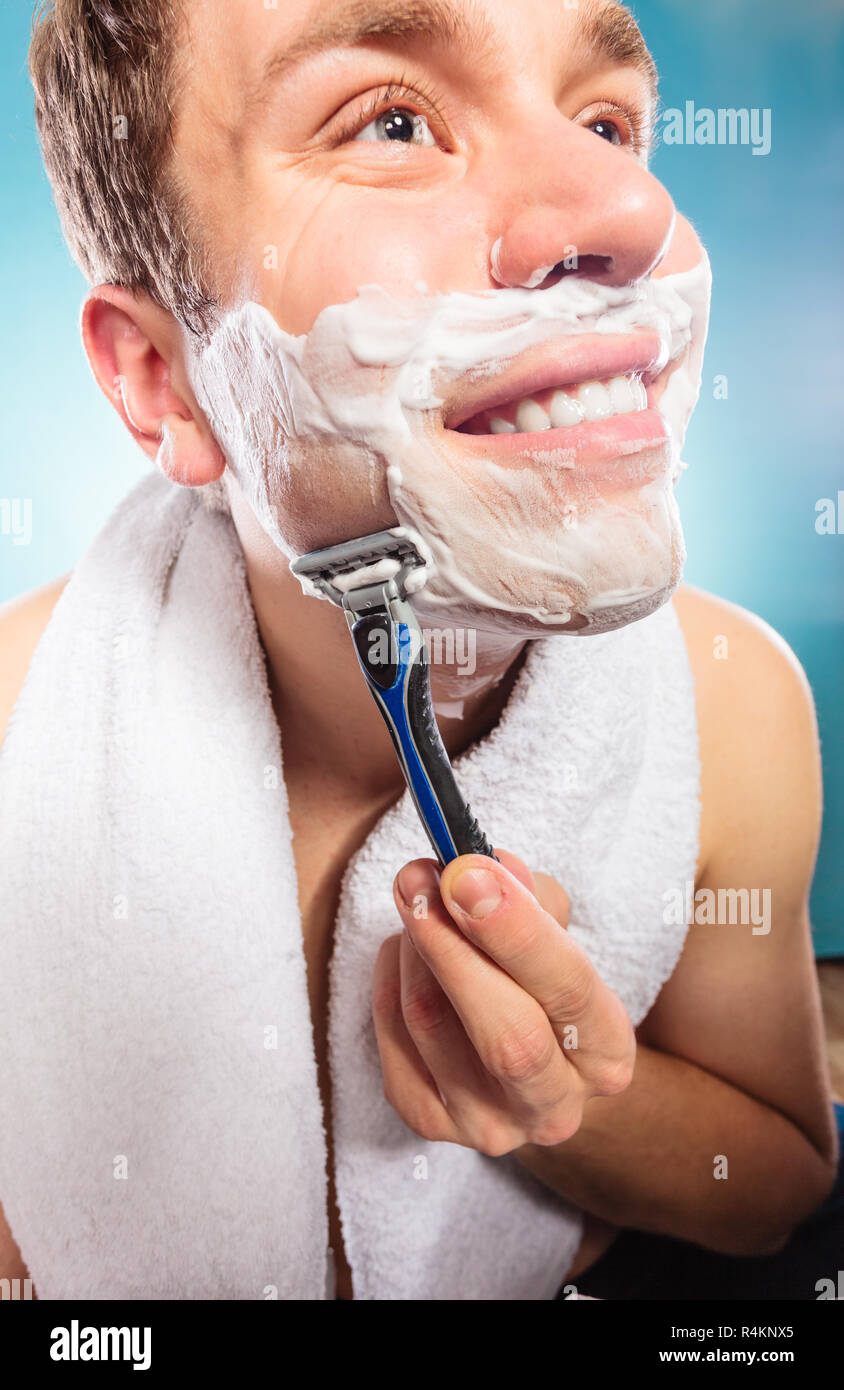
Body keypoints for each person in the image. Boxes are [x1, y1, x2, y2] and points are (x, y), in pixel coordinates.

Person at [0, 0, 838, 1301]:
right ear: (162, 377)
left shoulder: (735, 718)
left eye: (605, 118)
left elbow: (778, 1181)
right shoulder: (17, 742)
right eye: (394, 121)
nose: (622, 213)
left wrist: (565, 1105)